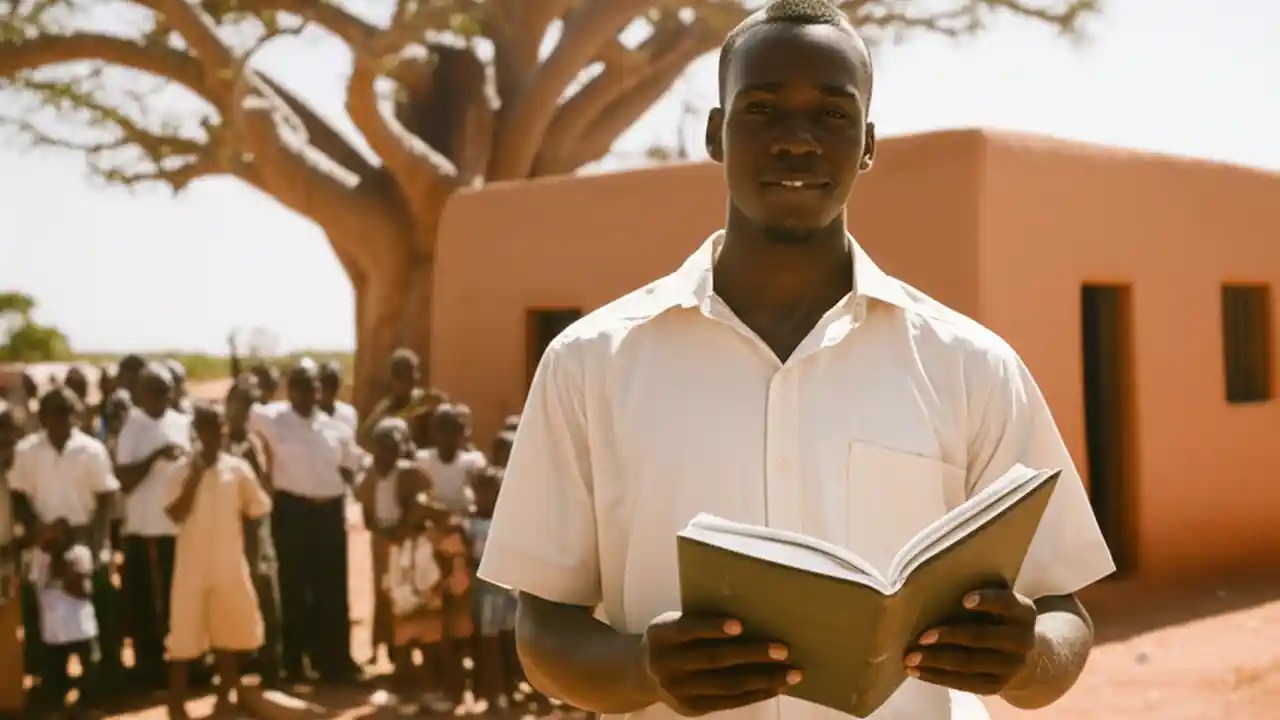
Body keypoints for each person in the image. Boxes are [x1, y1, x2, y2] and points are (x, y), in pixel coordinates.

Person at [478, 4, 1117, 720]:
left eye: (833, 116)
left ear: (868, 143)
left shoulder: (970, 365)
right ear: (717, 134)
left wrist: (1028, 657)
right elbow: (543, 631)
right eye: (763, 109)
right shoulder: (590, 365)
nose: (797, 141)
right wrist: (643, 669)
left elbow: (1065, 610)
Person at [249, 362, 361, 683]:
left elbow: (352, 463)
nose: (309, 393)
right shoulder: (273, 419)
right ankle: (294, 664)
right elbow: (242, 407)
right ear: (289, 389)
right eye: (300, 386)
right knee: (294, 588)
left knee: (332, 589)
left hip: (329, 512)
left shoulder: (335, 426)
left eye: (313, 387)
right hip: (292, 511)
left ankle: (334, 664)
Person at [8, 388, 119, 706]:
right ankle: (52, 685)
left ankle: (93, 687)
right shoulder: (28, 451)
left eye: (66, 412)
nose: (60, 419)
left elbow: (106, 498)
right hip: (45, 542)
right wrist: (36, 530)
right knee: (47, 617)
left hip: (83, 539)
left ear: (77, 414)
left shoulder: (91, 450)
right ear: (41, 416)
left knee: (87, 615)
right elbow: (19, 495)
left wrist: (96, 548)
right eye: (53, 412)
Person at [165, 404, 272, 720]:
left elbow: (257, 509)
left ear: (223, 431)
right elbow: (174, 513)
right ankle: (176, 705)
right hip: (192, 564)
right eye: (204, 429)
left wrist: (252, 559)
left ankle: (225, 700)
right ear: (195, 433)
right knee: (183, 635)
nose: (211, 436)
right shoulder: (181, 470)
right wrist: (195, 476)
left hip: (228, 560)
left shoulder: (237, 469)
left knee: (229, 633)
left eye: (216, 429)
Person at [113, 363, 191, 690]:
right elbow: (125, 481)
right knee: (145, 604)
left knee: (178, 603)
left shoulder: (182, 423)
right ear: (141, 393)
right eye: (153, 391)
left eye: (165, 391)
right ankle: (148, 671)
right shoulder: (132, 426)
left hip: (177, 529)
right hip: (144, 529)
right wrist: (157, 455)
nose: (160, 397)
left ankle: (182, 668)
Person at [383, 496, 469, 715]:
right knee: (404, 651)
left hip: (430, 602)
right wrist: (400, 598)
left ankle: (430, 692)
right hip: (404, 602)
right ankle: (404, 694)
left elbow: (451, 569)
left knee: (431, 651)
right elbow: (393, 575)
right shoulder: (398, 544)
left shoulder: (432, 539)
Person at [354, 418, 426, 673]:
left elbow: (415, 507)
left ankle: (404, 650)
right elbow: (363, 502)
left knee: (403, 594)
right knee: (382, 593)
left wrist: (400, 531)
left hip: (402, 540)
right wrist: (378, 529)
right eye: (381, 448)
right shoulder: (370, 475)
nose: (386, 454)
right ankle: (380, 647)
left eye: (392, 448)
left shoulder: (407, 472)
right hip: (381, 539)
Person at [225, 375, 283, 689]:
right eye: (238, 404)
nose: (241, 411)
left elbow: (265, 490)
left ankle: (271, 669)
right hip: (226, 534)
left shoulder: (255, 443)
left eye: (248, 406)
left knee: (266, 597)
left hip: (255, 532)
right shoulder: (214, 442)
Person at [28, 518, 100, 718]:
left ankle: (89, 703)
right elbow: (36, 583)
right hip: (54, 627)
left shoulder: (80, 553)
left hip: (81, 625)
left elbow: (83, 590)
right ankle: (55, 704)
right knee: (54, 671)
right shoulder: (39, 556)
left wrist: (64, 568)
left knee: (90, 668)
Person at [467, 466, 520, 714]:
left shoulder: (510, 521)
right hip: (486, 592)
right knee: (489, 645)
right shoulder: (470, 524)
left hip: (510, 592)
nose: (487, 497)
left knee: (511, 643)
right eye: (482, 491)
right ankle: (495, 694)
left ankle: (512, 690)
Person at [357, 349, 441, 450]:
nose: (413, 379)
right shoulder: (383, 412)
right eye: (402, 378)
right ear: (393, 380)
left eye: (412, 375)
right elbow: (364, 440)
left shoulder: (428, 400)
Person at [413, 404, 486, 516]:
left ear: (460, 433)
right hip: (432, 521)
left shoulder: (474, 461)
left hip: (464, 520)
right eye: (442, 430)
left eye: (453, 430)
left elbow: (482, 500)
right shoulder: (421, 459)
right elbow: (418, 497)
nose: (447, 436)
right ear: (434, 432)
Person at [318, 361, 358, 436]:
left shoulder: (348, 413)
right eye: (326, 384)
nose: (330, 389)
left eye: (334, 384)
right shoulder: (305, 417)